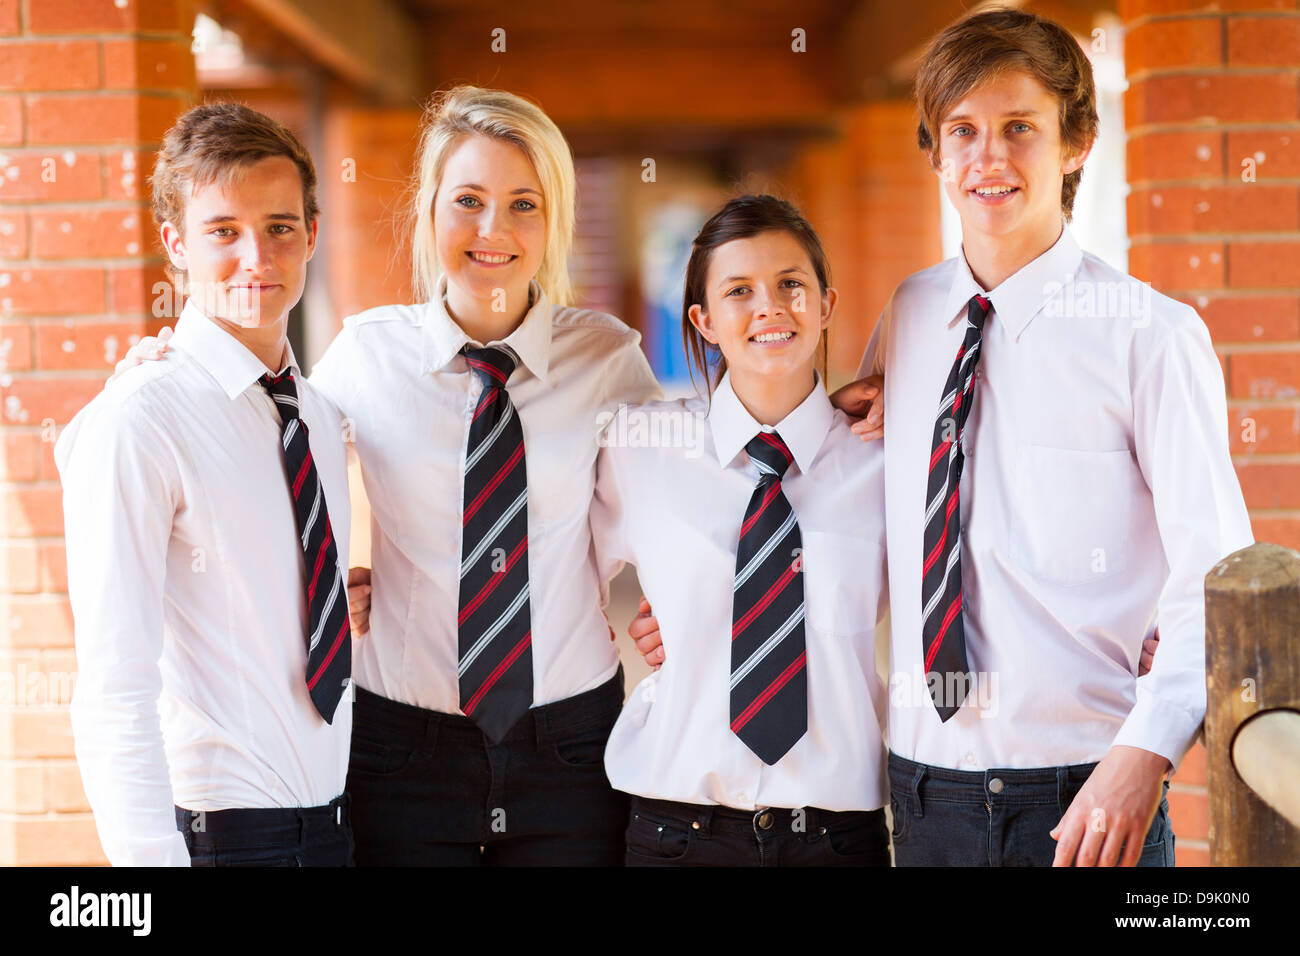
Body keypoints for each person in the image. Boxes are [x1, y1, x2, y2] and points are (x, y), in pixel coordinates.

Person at [632, 8, 1252, 867]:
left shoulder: (1151, 336)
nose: (986, 158)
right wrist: (711, 606)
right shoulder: (913, 317)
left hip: (1085, 785)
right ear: (936, 154)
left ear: (1076, 144)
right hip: (925, 792)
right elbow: (848, 491)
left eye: (1019, 129)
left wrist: (1143, 757)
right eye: (962, 131)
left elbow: (1215, 578)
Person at [119, 87, 661, 865]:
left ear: (556, 219)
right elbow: (265, 440)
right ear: (430, 210)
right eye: (466, 200)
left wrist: (684, 604)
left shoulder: (607, 359)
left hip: (570, 744)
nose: (492, 231)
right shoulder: (364, 358)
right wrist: (161, 366)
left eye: (522, 204)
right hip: (402, 749)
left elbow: (688, 495)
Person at [58, 103, 354, 866]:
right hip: (221, 841)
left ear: (312, 235)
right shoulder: (138, 418)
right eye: (223, 231)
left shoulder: (317, 416)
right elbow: (112, 685)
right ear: (176, 245)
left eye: (280, 226)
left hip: (339, 828)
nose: (256, 256)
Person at [590, 195, 891, 867]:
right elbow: (555, 577)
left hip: (835, 838)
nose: (770, 306)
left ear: (827, 304)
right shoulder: (642, 449)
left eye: (791, 284)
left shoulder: (885, 461)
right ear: (703, 320)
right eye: (739, 291)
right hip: (679, 833)